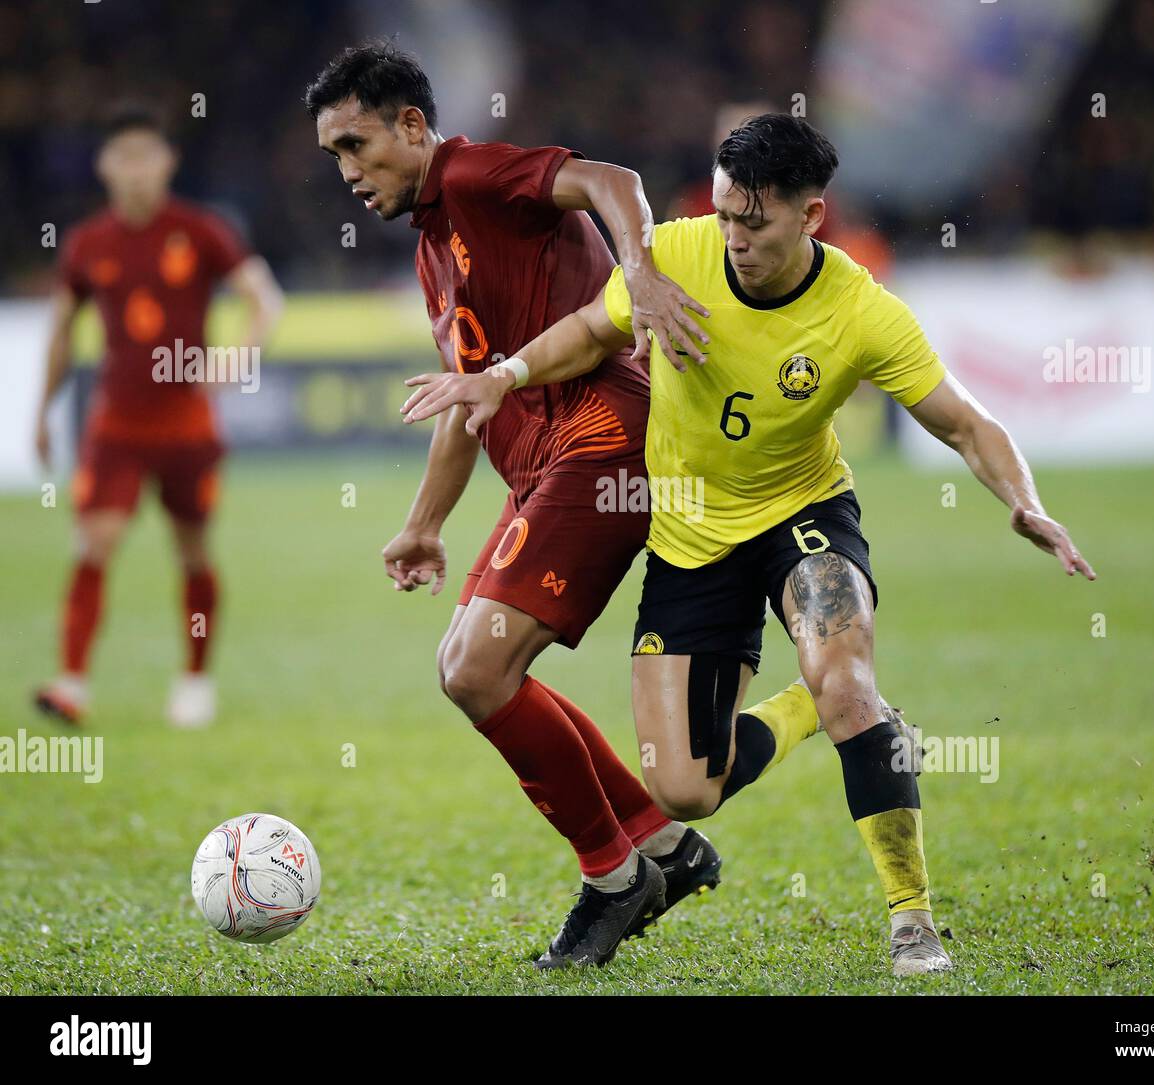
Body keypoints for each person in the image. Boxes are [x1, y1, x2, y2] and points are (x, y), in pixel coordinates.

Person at [401, 113, 1097, 977]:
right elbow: (588, 332)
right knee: (684, 788)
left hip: (801, 515)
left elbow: (965, 421)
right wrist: (501, 375)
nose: (733, 237)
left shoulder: (859, 310)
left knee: (845, 681)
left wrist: (1024, 502)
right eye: (726, 213)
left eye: (754, 221)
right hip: (690, 536)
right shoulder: (683, 254)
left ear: (811, 216)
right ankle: (811, 709)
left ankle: (912, 918)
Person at [308, 42, 818, 969]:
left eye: (355, 145)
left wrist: (645, 273)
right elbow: (471, 401)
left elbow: (610, 179)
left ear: (413, 128)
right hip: (552, 462)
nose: (347, 171)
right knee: (473, 668)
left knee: (473, 669)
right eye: (333, 155)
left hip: (603, 436)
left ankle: (617, 878)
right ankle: (660, 840)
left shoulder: (469, 173)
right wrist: (423, 523)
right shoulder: (435, 244)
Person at [34, 106, 283, 729]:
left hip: (186, 426)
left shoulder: (200, 231)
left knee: (192, 552)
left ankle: (195, 681)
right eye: (124, 157)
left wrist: (236, 361)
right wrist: (41, 410)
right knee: (96, 542)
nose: (137, 170)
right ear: (105, 166)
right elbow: (63, 330)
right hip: (115, 424)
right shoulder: (88, 243)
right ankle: (71, 683)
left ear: (168, 162)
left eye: (148, 156)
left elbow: (265, 298)